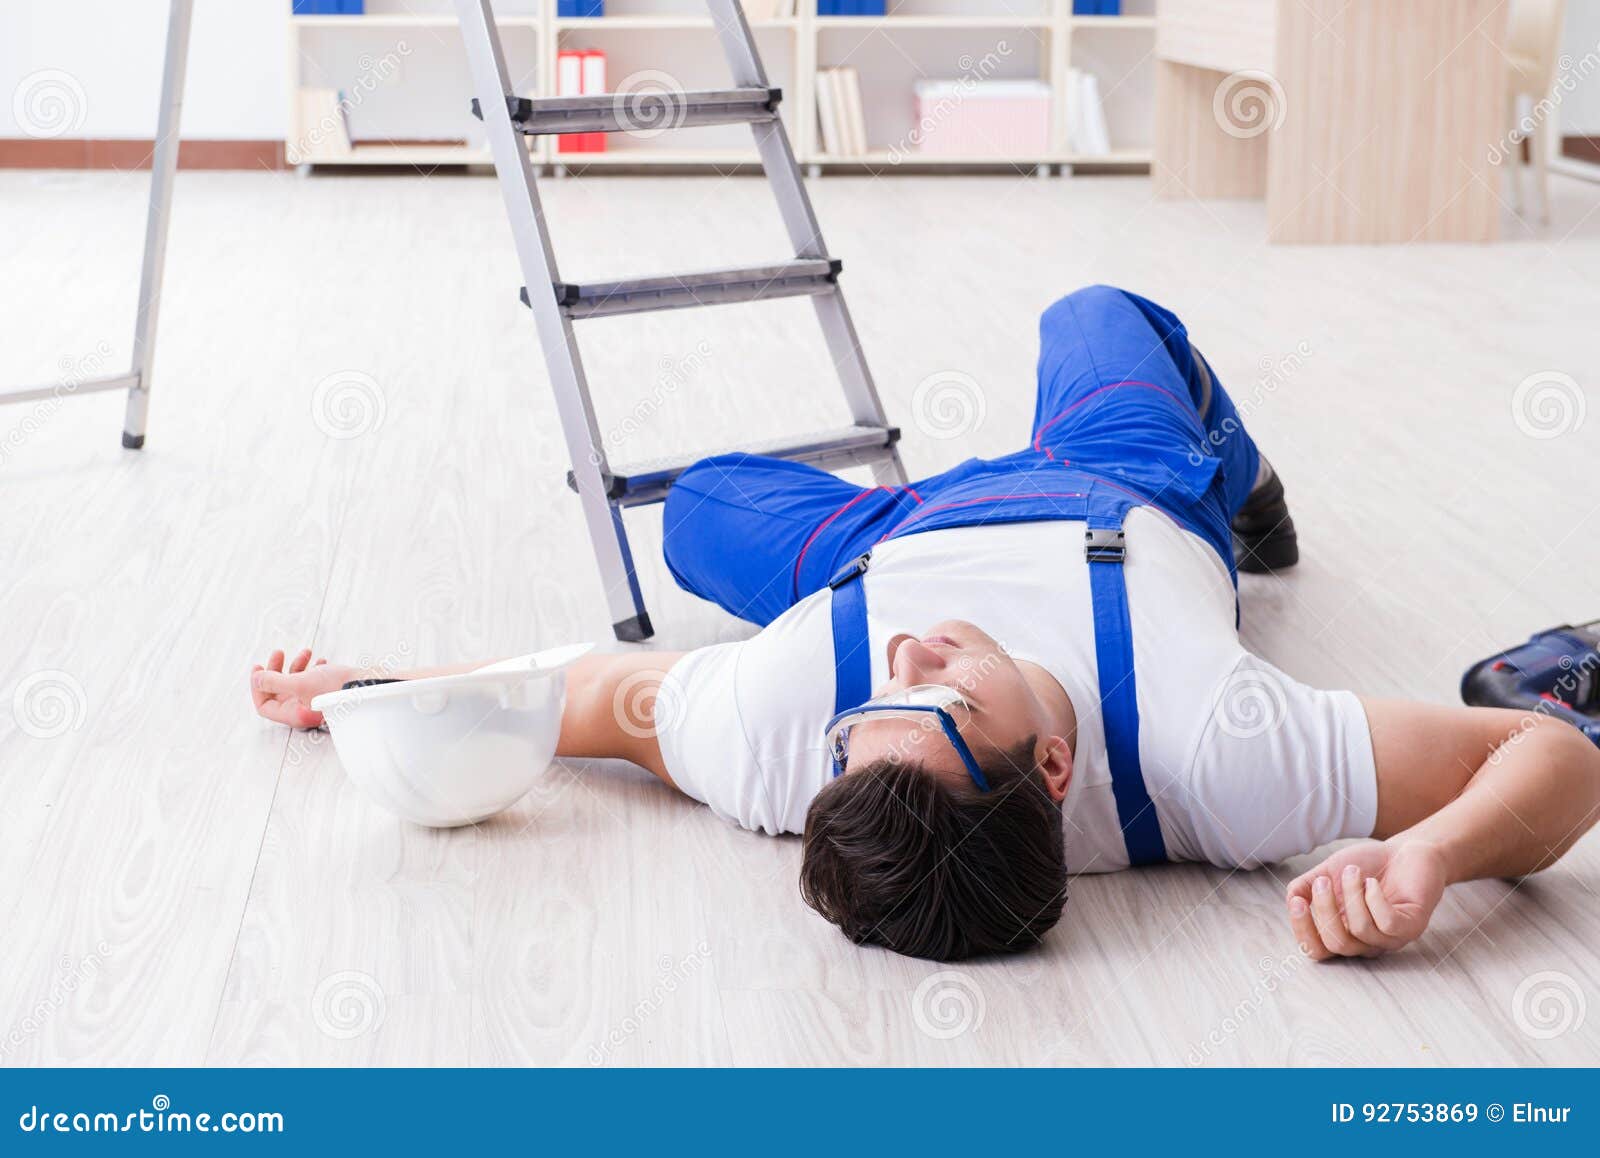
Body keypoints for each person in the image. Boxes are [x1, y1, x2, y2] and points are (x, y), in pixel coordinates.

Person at [250, 285, 1600, 963]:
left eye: (870, 706)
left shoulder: (778, 731)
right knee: (1097, 315)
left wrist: (374, 687)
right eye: (948, 694)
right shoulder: (1218, 751)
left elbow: (582, 695)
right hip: (1113, 483)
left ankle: (928, 503)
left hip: (880, 543)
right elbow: (1556, 757)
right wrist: (1425, 862)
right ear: (1057, 772)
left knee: (697, 510)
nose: (910, 654)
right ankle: (1244, 474)